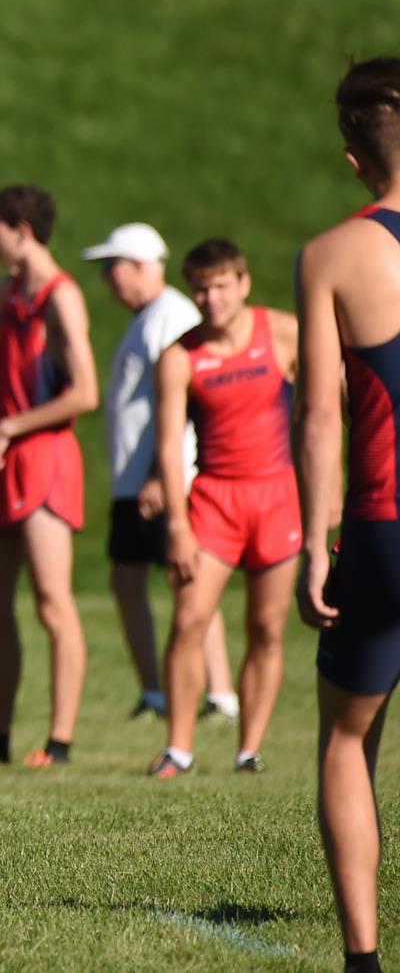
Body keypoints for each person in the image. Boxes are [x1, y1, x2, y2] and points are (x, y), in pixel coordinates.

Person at [297, 57, 400, 973]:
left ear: (353, 159)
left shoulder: (333, 254)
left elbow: (320, 415)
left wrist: (309, 545)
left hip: (383, 528)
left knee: (347, 734)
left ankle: (362, 960)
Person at [0, 185, 97, 768]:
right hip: (6, 462)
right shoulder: (10, 290)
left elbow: (85, 393)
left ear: (22, 231)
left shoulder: (62, 297)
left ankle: (59, 742)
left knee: (53, 603)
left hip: (45, 458)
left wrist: (12, 426)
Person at [148, 239, 300, 777]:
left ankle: (248, 750)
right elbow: (169, 447)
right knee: (189, 619)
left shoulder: (283, 332)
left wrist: (331, 488)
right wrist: (177, 524)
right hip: (214, 500)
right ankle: (179, 749)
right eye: (200, 289)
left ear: (243, 283)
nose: (211, 299)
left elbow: (326, 410)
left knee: (267, 626)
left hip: (277, 497)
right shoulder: (179, 356)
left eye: (220, 286)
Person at [81, 221, 237, 725]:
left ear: (141, 267)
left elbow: (188, 399)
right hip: (137, 482)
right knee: (131, 580)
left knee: (190, 583)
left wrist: (158, 475)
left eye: (113, 267)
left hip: (163, 482)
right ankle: (156, 692)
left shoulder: (172, 315)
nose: (107, 279)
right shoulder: (148, 318)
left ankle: (218, 693)